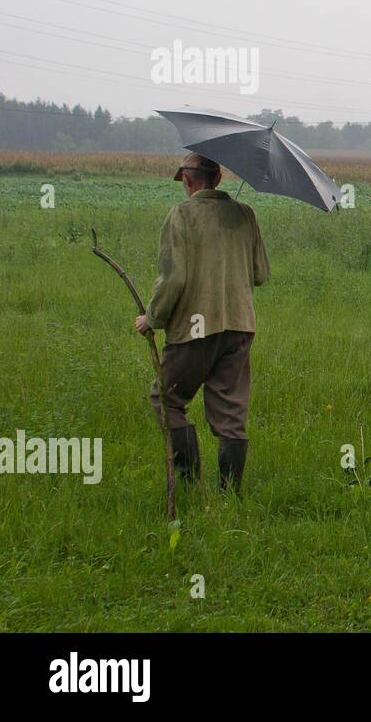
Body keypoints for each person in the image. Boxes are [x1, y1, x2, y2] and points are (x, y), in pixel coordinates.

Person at [136, 153, 269, 492]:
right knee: (231, 416)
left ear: (188, 179)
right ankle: (230, 494)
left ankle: (187, 482)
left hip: (195, 326)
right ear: (219, 178)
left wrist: (152, 318)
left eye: (183, 180)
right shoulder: (245, 214)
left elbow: (173, 278)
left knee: (167, 401)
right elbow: (260, 274)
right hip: (239, 325)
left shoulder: (181, 215)